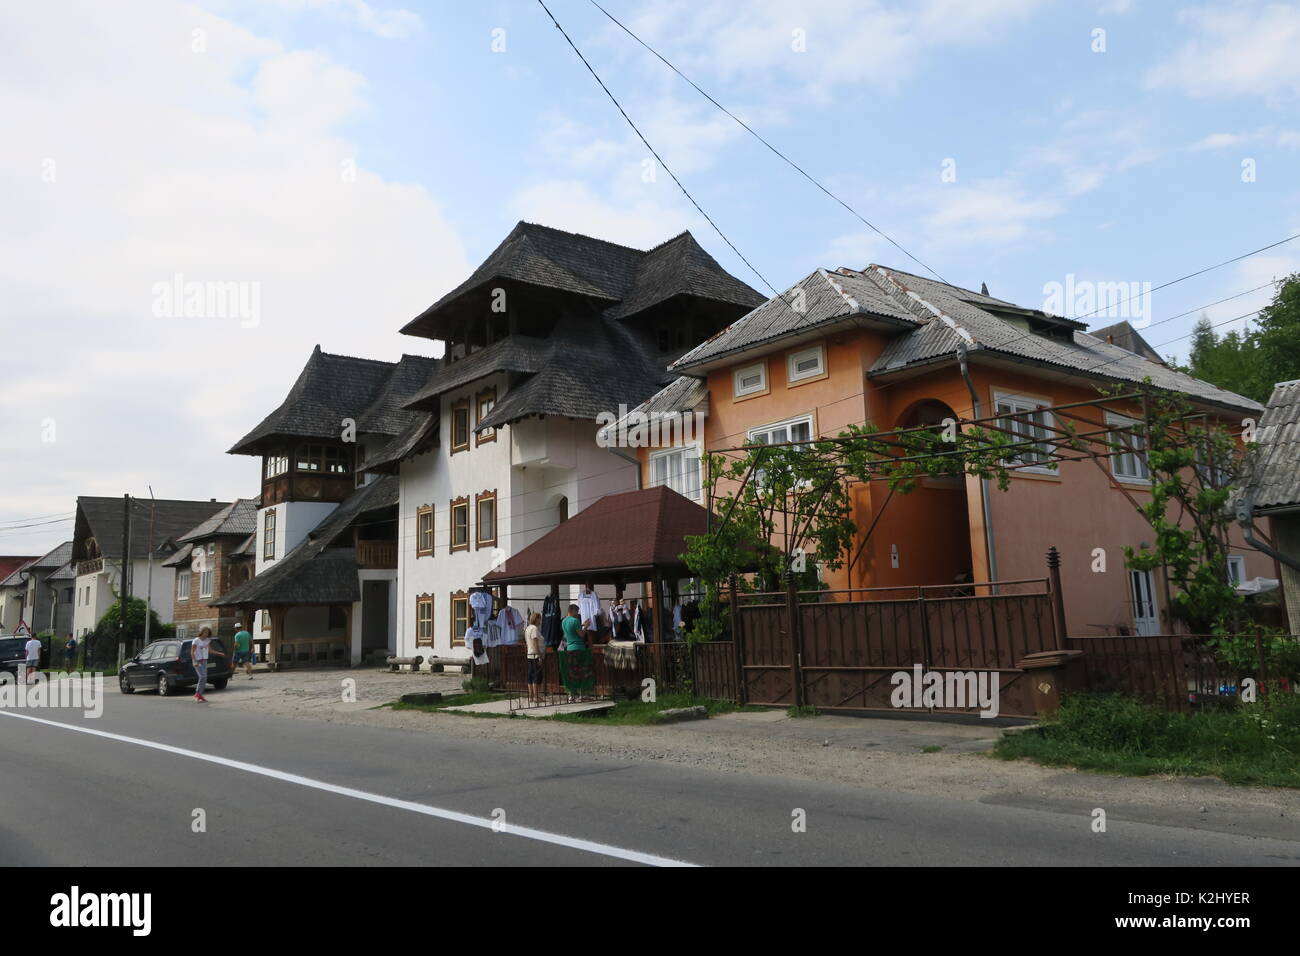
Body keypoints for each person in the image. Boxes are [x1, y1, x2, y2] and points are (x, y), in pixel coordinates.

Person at [558, 604, 595, 703]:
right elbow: (581, 634)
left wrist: (581, 625)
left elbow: (571, 631)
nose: (578, 614)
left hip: (569, 648)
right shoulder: (575, 621)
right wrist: (586, 627)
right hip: (579, 648)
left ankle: (572, 695)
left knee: (572, 673)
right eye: (577, 611)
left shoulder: (564, 621)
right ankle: (583, 695)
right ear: (573, 610)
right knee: (582, 672)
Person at [191, 626, 224, 702]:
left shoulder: (207, 640)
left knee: (204, 678)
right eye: (205, 632)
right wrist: (194, 661)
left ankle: (200, 694)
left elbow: (210, 650)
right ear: (202, 632)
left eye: (207, 632)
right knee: (202, 676)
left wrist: (219, 653)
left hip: (204, 660)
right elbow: (192, 652)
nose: (206, 634)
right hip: (197, 660)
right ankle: (197, 693)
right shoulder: (196, 640)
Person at [524, 612, 544, 704]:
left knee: (530, 677)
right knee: (536, 677)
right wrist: (539, 656)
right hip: (535, 655)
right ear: (537, 619)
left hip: (529, 654)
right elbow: (535, 643)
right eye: (540, 618)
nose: (541, 620)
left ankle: (531, 697)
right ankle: (536, 697)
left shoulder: (528, 628)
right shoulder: (534, 629)